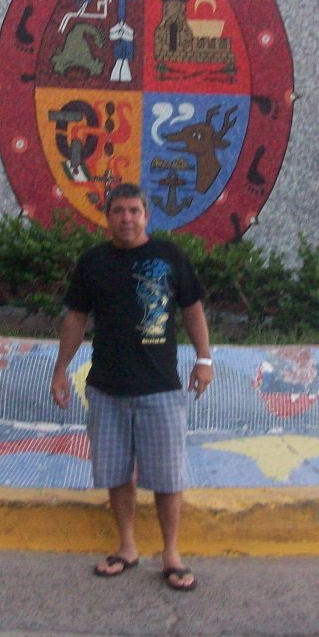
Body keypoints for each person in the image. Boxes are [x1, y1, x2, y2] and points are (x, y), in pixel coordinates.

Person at [50, 182, 213, 592]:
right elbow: (75, 319)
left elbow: (192, 310)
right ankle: (127, 547)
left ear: (146, 216)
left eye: (134, 211)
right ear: (108, 217)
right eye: (119, 211)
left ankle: (171, 554)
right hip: (106, 388)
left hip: (160, 388)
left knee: (167, 477)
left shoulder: (169, 257)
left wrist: (204, 360)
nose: (126, 218)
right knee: (117, 473)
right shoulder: (93, 262)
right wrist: (61, 369)